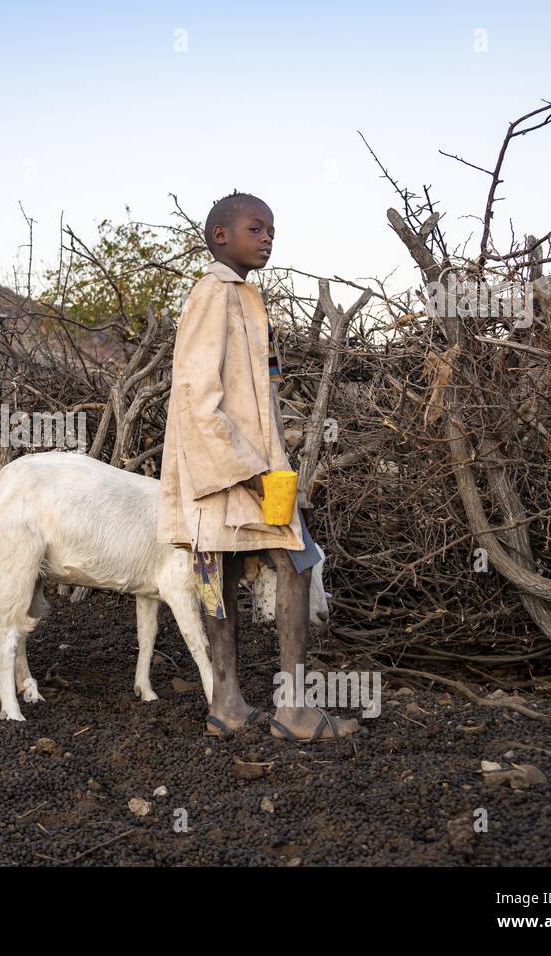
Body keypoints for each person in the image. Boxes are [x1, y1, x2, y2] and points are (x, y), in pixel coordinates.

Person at [157, 192, 359, 742]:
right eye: (257, 228)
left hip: (233, 465)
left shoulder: (240, 296)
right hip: (228, 467)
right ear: (222, 235)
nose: (268, 238)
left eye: (272, 229)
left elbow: (253, 394)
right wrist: (251, 471)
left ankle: (226, 704)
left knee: (217, 570)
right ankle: (292, 710)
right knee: (297, 559)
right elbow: (199, 395)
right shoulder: (213, 296)